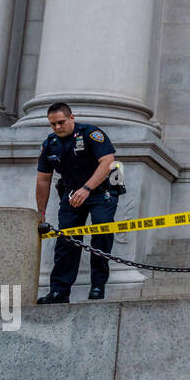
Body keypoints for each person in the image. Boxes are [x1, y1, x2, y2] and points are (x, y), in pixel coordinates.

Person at [35, 102, 119, 303]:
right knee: (66, 240)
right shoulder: (49, 144)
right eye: (52, 124)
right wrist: (41, 213)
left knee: (101, 232)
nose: (57, 127)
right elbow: (43, 179)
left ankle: (98, 285)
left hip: (101, 192)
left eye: (61, 122)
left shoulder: (90, 134)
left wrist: (87, 189)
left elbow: (107, 161)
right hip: (72, 195)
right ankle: (59, 291)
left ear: (71, 117)